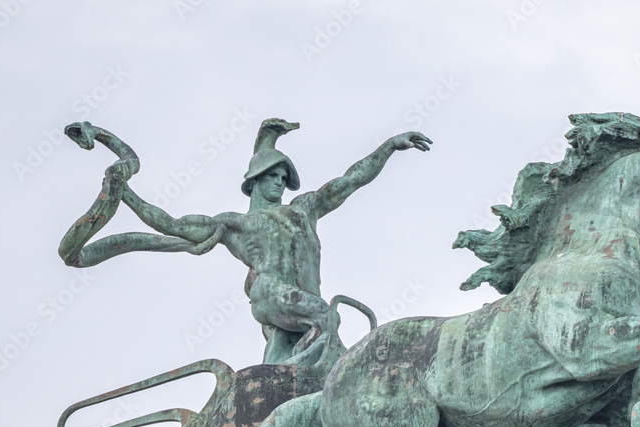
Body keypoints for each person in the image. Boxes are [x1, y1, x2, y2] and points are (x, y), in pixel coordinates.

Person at [67, 118, 431, 363]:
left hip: (300, 301)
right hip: (271, 292)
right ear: (255, 180)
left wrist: (388, 147)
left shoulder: (304, 208)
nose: (279, 182)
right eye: (272, 175)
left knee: (282, 355)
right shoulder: (235, 223)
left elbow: (349, 180)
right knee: (325, 318)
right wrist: (123, 191)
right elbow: (170, 224)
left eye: (283, 176)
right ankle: (336, 375)